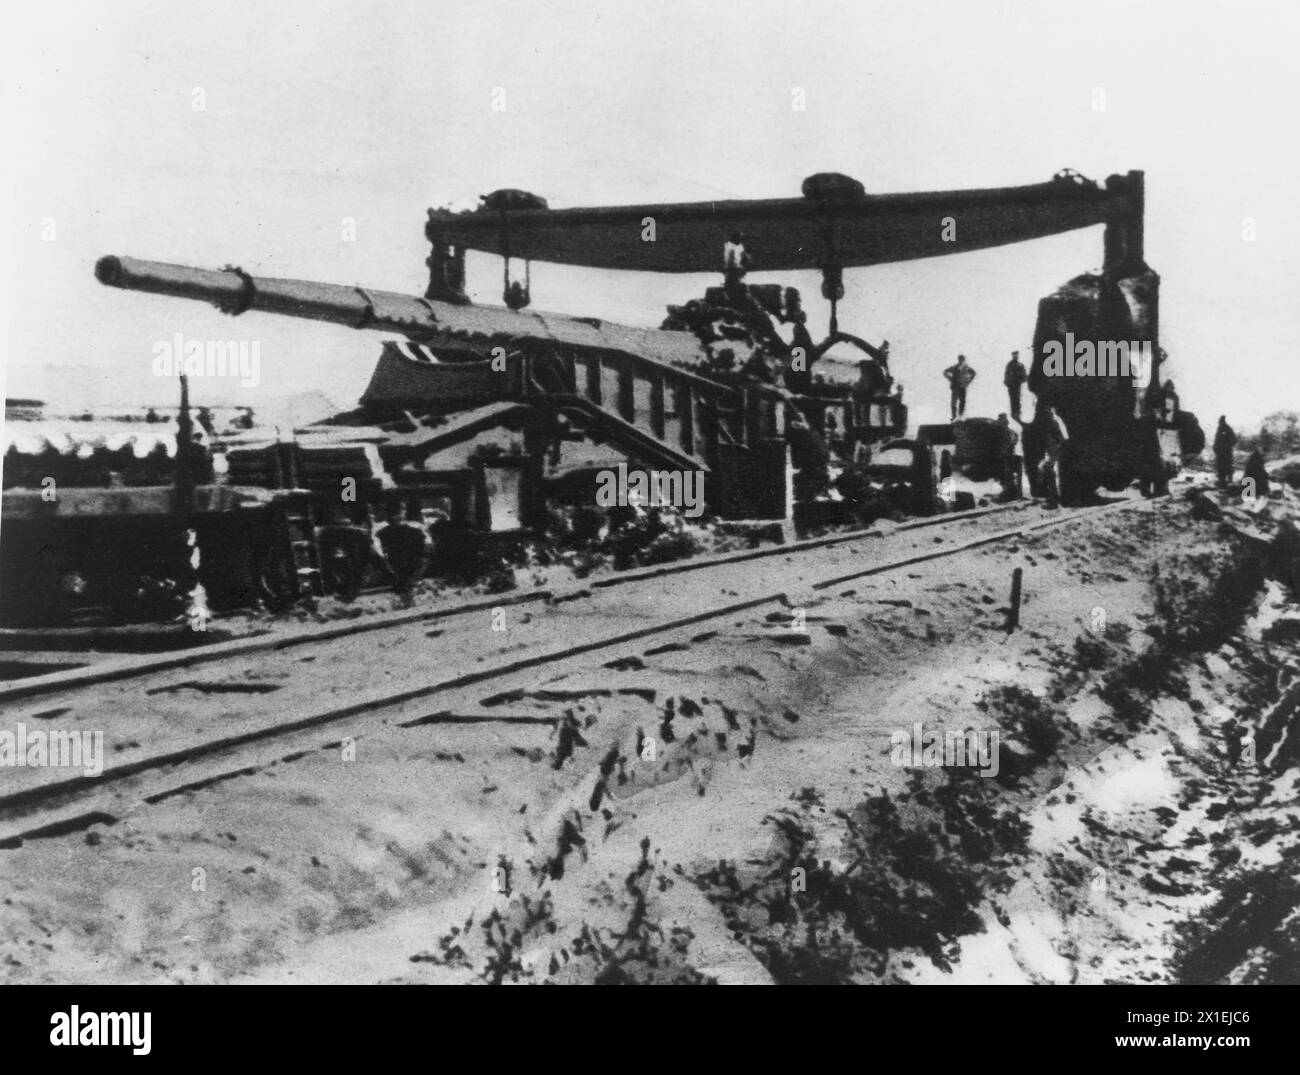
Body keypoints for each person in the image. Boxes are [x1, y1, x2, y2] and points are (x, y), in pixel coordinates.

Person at [944, 355, 976, 420]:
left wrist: (968, 381)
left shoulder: (967, 368)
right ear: (958, 360)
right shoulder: (954, 367)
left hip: (962, 386)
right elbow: (945, 372)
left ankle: (961, 415)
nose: (961, 361)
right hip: (955, 386)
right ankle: (954, 416)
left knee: (962, 401)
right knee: (954, 401)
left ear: (964, 360)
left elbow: (973, 373)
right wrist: (950, 378)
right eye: (960, 359)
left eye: (962, 359)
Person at [1213, 415, 1237, 487]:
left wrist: (1227, 446)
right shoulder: (1219, 429)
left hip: (1227, 452)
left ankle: (1230, 480)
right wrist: (1215, 447)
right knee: (1221, 467)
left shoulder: (1228, 429)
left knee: (1228, 465)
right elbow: (1217, 440)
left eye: (1220, 421)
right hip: (1220, 453)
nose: (1219, 423)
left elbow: (1234, 440)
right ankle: (1222, 481)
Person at [1003, 351, 1028, 421]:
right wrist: (1007, 382)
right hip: (1011, 384)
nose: (1015, 356)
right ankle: (1014, 413)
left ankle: (1017, 412)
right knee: (1013, 398)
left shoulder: (1020, 365)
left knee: (1017, 398)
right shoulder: (1010, 364)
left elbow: (1024, 374)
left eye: (1016, 355)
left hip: (1017, 384)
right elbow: (1006, 374)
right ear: (1012, 356)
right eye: (1014, 355)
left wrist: (1023, 379)